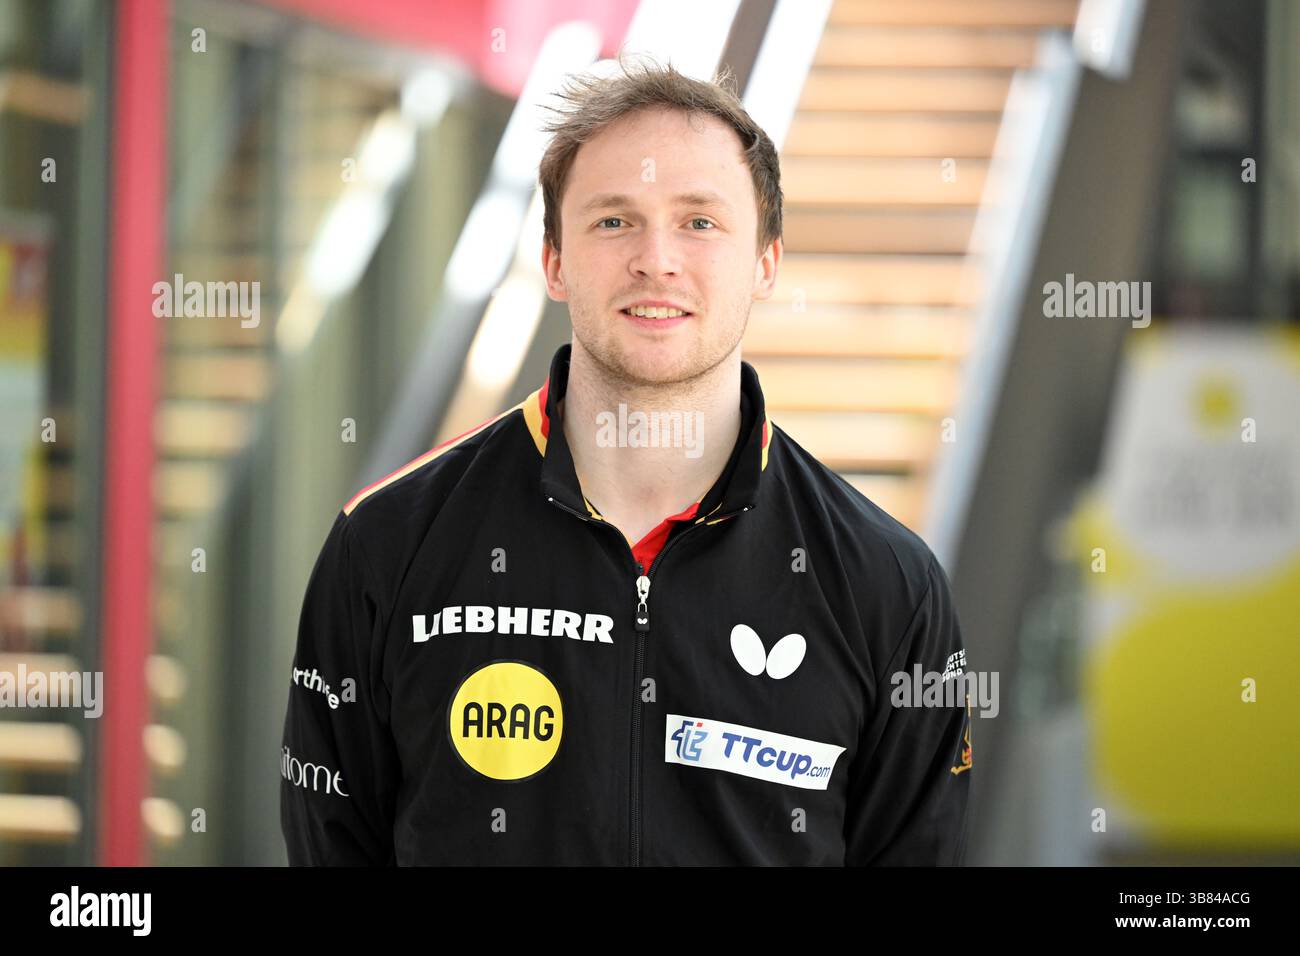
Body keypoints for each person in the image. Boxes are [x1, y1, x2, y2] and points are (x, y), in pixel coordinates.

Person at [280, 55, 972, 865]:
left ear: (766, 262)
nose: (656, 259)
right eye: (613, 220)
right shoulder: (387, 543)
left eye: (700, 221)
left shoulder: (886, 584)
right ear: (554, 261)